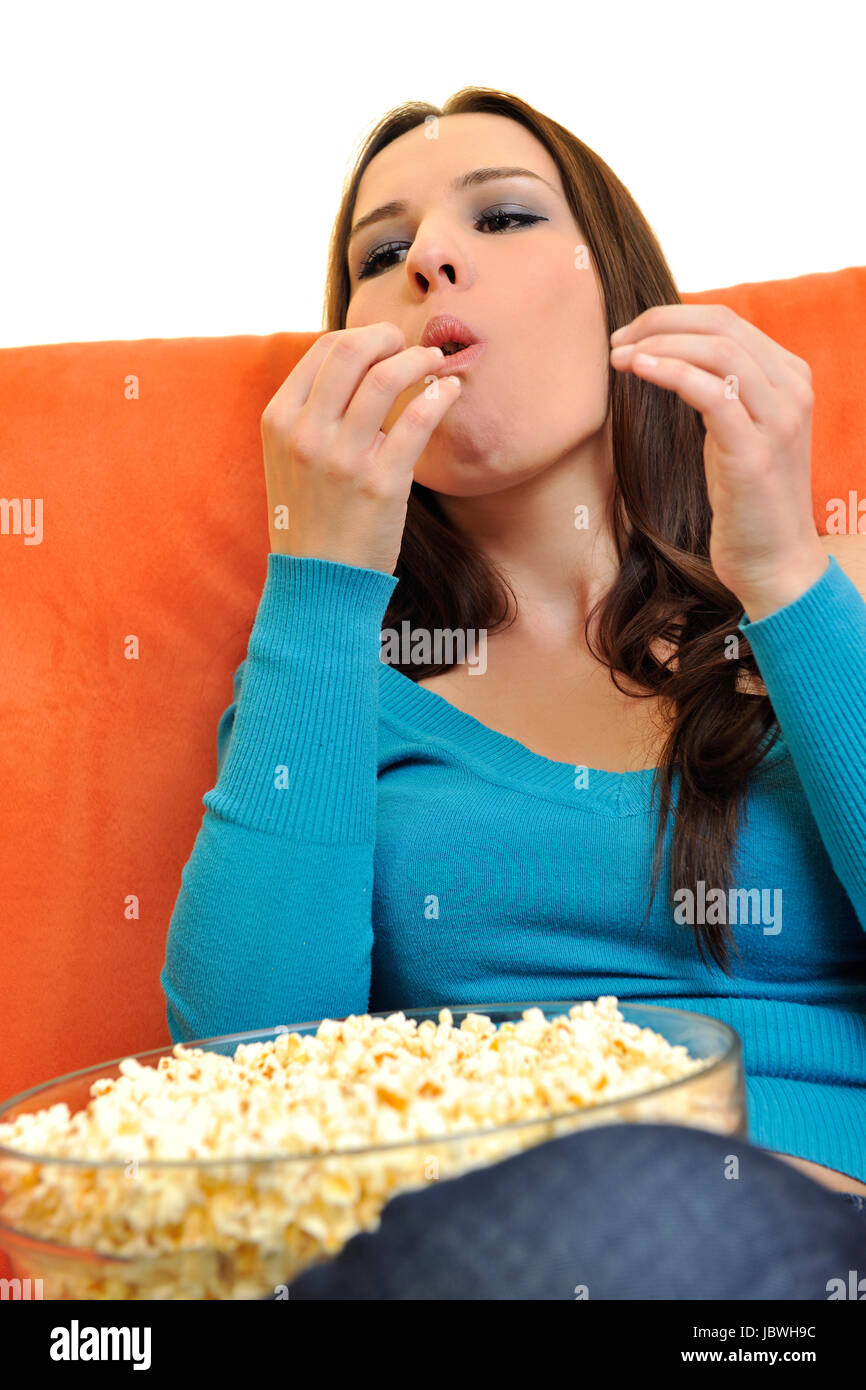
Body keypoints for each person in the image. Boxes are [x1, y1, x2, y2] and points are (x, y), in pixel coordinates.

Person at [161, 87, 866, 1297]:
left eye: (500, 218)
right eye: (378, 256)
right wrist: (322, 579)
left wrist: (784, 580)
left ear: (626, 298)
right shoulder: (326, 677)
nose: (429, 257)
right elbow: (235, 1084)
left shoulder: (827, 591)